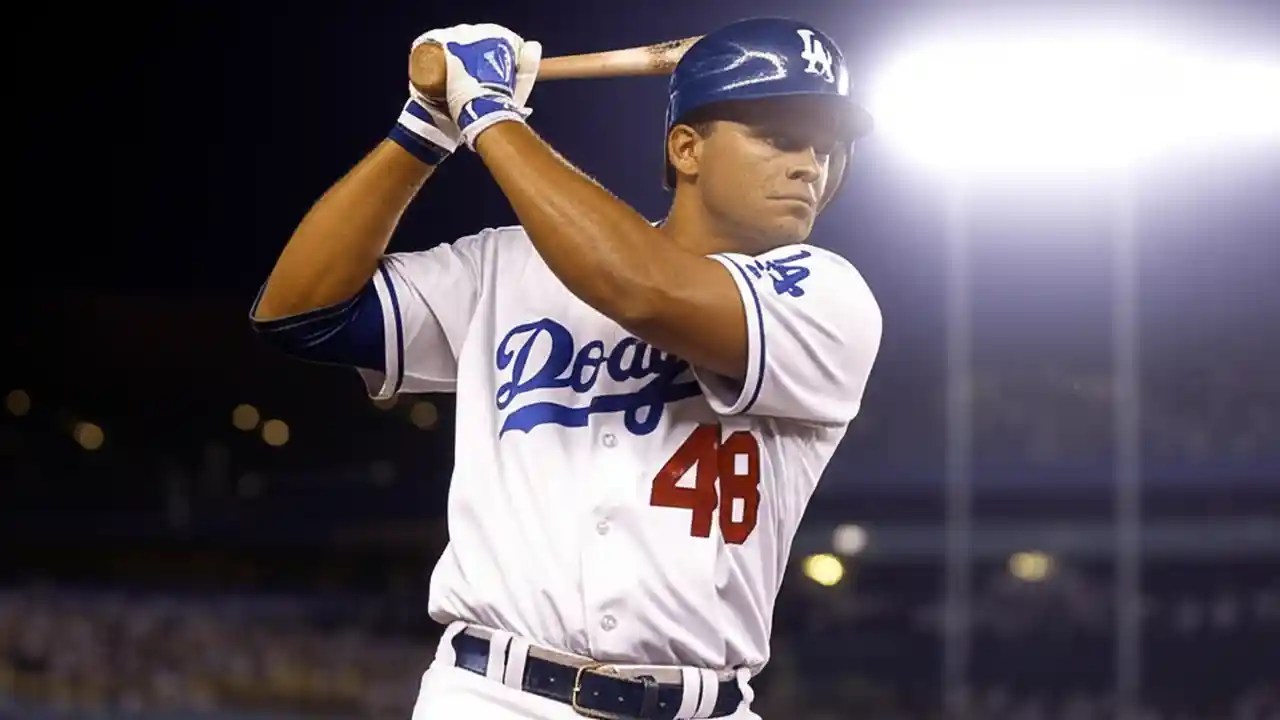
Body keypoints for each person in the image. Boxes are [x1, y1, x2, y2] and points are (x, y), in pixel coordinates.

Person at [249, 16, 881, 720]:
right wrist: (422, 132)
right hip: (494, 694)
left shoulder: (828, 299)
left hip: (703, 705)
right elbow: (303, 314)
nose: (811, 166)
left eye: (828, 149)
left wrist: (488, 113)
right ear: (686, 148)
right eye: (781, 137)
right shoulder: (511, 266)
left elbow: (638, 288)